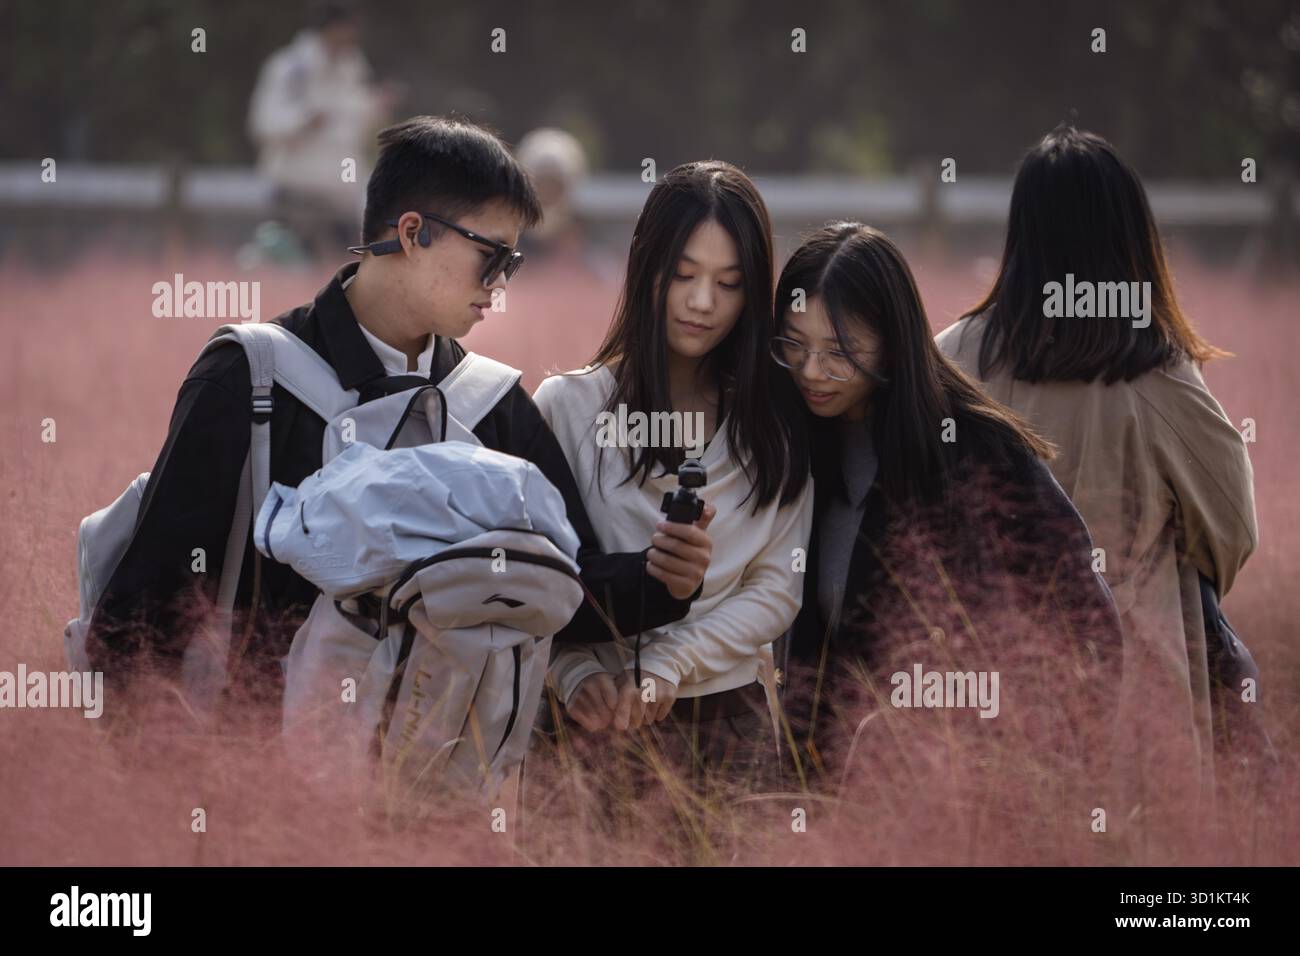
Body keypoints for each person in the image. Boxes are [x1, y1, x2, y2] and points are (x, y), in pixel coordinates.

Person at [86, 116, 711, 728]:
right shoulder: (249, 378)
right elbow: (141, 616)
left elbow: (557, 590)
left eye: (511, 264)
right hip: (247, 782)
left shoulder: (491, 402)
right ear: (413, 232)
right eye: (489, 257)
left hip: (429, 789)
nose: (498, 285)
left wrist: (662, 581)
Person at [936, 126, 1259, 817]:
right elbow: (1231, 532)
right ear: (1130, 241)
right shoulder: (1160, 377)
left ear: (1021, 234)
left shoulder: (949, 361)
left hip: (976, 695)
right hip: (1138, 709)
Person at [773, 222, 1122, 792]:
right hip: (833, 789)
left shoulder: (978, 450)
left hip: (965, 789)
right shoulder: (793, 441)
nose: (812, 371)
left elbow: (1088, 619)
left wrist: (1050, 768)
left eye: (840, 352)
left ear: (892, 338)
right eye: (794, 344)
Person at [532, 161, 813, 791]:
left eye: (730, 283)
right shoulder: (567, 407)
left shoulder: (776, 423)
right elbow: (536, 578)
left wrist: (668, 663)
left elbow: (776, 587)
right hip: (588, 722)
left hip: (725, 725)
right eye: (683, 274)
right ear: (644, 268)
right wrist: (573, 673)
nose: (702, 302)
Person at [246, 1, 401, 259]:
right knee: (296, 273)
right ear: (330, 29)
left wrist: (377, 105)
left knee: (343, 272)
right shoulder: (290, 68)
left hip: (343, 196)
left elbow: (354, 119)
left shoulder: (351, 67)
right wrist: (304, 121)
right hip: (298, 195)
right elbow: (263, 123)